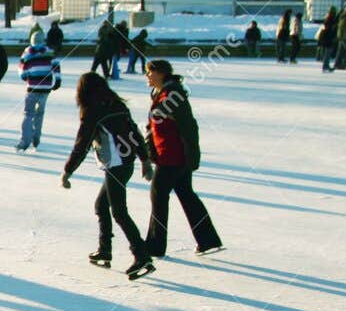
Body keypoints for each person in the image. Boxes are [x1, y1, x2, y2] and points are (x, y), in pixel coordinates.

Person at [62, 71, 155, 280]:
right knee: (101, 206)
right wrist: (144, 159)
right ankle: (105, 250)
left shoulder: (92, 111)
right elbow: (135, 134)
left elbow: (82, 144)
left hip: (116, 164)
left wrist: (68, 171)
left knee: (119, 212)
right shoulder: (117, 105)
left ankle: (142, 255)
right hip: (126, 162)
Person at [143, 59, 223, 257]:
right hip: (170, 155)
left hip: (173, 156)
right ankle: (208, 240)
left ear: (161, 73)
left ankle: (155, 245)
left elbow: (188, 127)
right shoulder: (161, 93)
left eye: (149, 72)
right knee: (187, 195)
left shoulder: (173, 95)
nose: (147, 76)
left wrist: (192, 155)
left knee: (158, 195)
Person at [15, 39, 62, 152]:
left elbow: (22, 70)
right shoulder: (49, 51)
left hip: (32, 87)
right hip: (45, 88)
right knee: (39, 114)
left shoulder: (28, 53)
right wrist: (58, 80)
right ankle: (36, 138)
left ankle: (25, 141)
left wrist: (26, 77)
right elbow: (56, 66)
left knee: (28, 114)